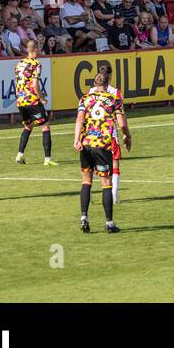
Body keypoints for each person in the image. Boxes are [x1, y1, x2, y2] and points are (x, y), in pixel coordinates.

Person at [73, 65, 131, 233]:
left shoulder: (84, 98)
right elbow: (122, 124)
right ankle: (109, 223)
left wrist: (76, 140)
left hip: (85, 144)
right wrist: (128, 136)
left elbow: (79, 119)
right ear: (108, 82)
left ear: (94, 83)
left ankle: (84, 217)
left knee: (86, 181)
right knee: (105, 184)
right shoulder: (114, 100)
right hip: (102, 145)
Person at [13, 38, 56, 166]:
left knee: (28, 126)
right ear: (36, 49)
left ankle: (20, 154)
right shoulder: (36, 64)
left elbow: (16, 83)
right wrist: (41, 98)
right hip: (31, 99)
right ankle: (47, 159)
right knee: (45, 126)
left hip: (21, 100)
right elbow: (35, 84)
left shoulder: (19, 64)